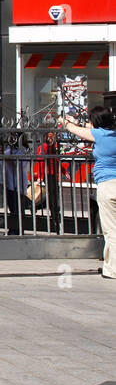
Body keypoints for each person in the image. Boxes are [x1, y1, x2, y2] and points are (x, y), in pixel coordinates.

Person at [60, 106, 116, 279]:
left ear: (97, 123)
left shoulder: (99, 135)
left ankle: (112, 269)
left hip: (108, 185)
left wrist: (66, 122)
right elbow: (89, 128)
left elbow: (75, 131)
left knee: (111, 230)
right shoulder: (111, 134)